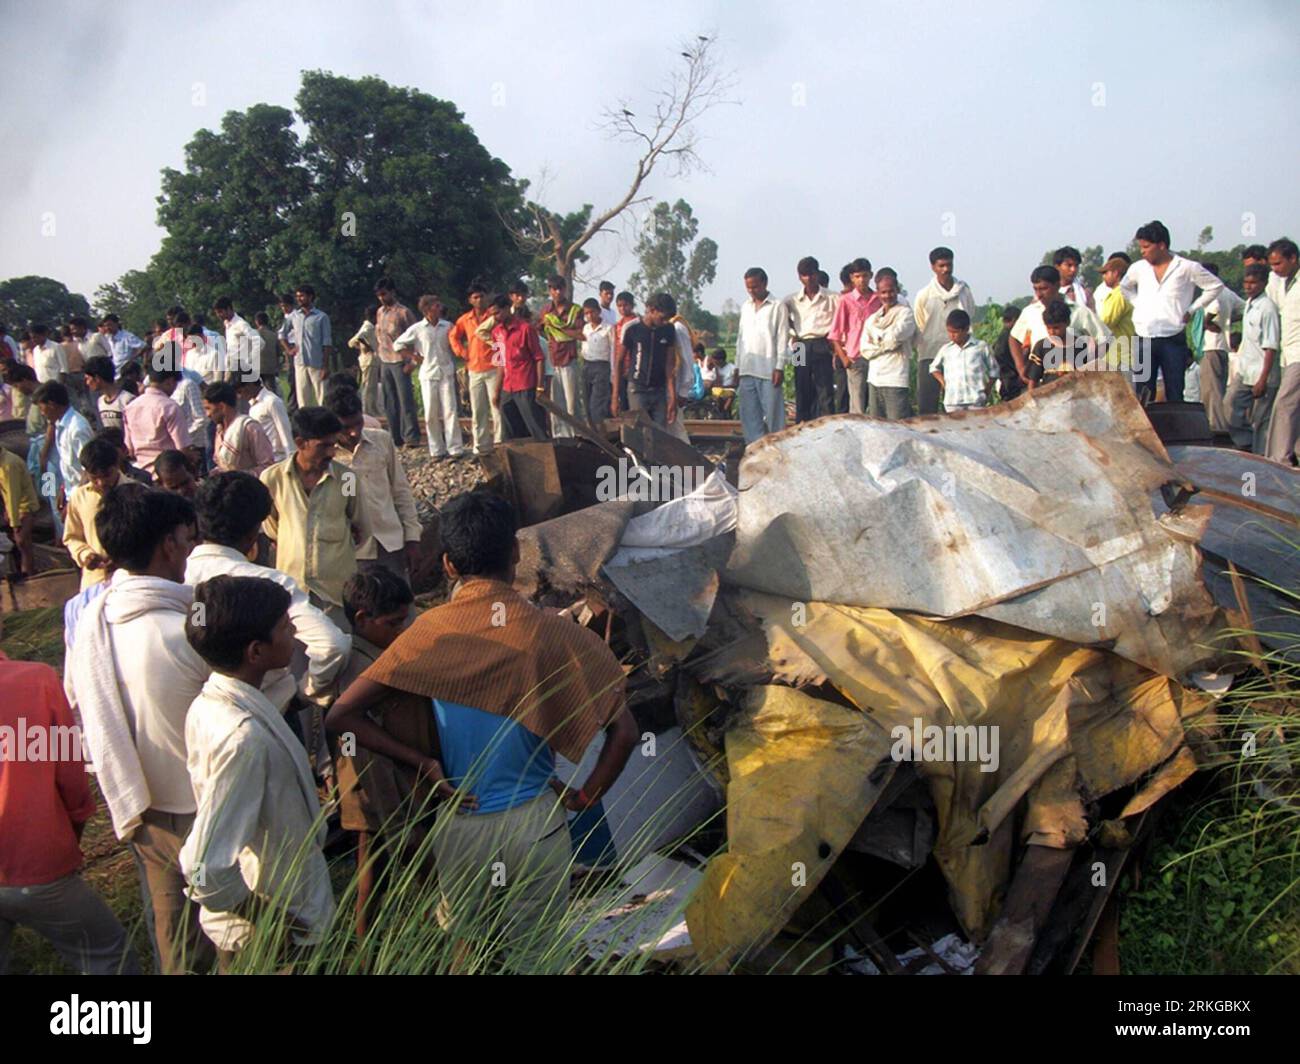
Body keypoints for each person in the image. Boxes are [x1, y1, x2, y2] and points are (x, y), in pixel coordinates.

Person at [325, 490, 636, 970]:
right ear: (515, 553)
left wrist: (424, 764)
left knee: (467, 951)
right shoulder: (557, 634)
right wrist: (583, 796)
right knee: (537, 954)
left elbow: (341, 716)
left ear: (448, 564)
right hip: (537, 824)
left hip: (461, 822)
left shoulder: (428, 635)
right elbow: (625, 732)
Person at [65, 485, 216, 975]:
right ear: (168, 544)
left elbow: (77, 702)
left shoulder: (93, 620)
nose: (190, 550)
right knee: (233, 926)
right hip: (202, 806)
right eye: (187, 539)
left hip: (143, 804)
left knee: (174, 938)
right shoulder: (184, 631)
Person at [180, 575, 335, 970]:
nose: (295, 631)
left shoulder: (215, 702)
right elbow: (203, 867)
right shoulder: (243, 739)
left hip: (281, 904)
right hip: (272, 929)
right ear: (256, 651)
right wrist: (272, 922)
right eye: (285, 626)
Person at [0, 614, 140, 975]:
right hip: (36, 864)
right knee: (108, 954)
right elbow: (70, 775)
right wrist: (73, 831)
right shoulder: (38, 681)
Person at [187, 472, 350, 748]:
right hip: (270, 714)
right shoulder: (268, 583)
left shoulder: (177, 579)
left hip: (200, 723)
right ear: (254, 532)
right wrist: (303, 692)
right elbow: (333, 646)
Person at [330, 568, 423, 936]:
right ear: (363, 620)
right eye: (393, 623)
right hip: (377, 783)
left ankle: (365, 942)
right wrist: (398, 815)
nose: (401, 631)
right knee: (414, 859)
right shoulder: (362, 666)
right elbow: (365, 744)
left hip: (369, 785)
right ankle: (454, 938)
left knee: (373, 865)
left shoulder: (372, 653)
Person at [260, 407, 366, 625]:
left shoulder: (346, 479)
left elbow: (358, 522)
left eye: (333, 445)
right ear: (300, 443)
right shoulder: (273, 479)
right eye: (323, 446)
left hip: (336, 591)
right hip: (293, 588)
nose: (331, 453)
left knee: (340, 647)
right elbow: (271, 527)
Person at [1120, 221, 1225, 403]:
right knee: (1143, 392)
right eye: (1141, 247)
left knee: (1175, 389)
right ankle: (1148, 429)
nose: (1142, 251)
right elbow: (1125, 287)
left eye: (1146, 247)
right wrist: (1139, 304)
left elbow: (1215, 286)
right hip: (1144, 335)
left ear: (1161, 245)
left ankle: (1174, 428)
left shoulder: (1186, 267)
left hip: (1172, 336)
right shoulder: (1138, 268)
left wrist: (1192, 309)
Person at [328, 388, 424, 578]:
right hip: (352, 552)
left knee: (400, 604)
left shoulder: (381, 441)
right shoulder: (328, 457)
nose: (354, 432)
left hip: (390, 543)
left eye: (358, 423)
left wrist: (412, 538)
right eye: (346, 427)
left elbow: (401, 491)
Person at [1008, 265, 1111, 384]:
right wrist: (1021, 368)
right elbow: (1014, 338)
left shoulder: (1078, 311)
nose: (1039, 294)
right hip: (1041, 382)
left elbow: (1106, 338)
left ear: (1057, 286)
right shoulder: (1030, 312)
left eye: (1043, 288)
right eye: (1035, 289)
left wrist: (1091, 366)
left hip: (1074, 383)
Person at [393, 294, 466, 459]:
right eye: (436, 305)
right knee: (430, 413)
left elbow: (456, 344)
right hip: (428, 374)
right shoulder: (417, 328)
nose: (440, 308)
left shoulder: (447, 326)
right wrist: (413, 356)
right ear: (427, 309)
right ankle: (436, 449)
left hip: (446, 371)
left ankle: (455, 448)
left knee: (450, 410)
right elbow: (397, 344)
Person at [912, 247, 977, 416]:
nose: (946, 269)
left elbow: (969, 316)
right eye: (941, 266)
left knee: (961, 405)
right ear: (933, 267)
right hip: (930, 352)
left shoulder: (963, 291)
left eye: (949, 265)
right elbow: (920, 324)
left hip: (959, 354)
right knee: (928, 405)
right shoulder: (924, 295)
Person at [1225, 264, 1281, 454]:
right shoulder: (1249, 304)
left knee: (1261, 421)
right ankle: (1245, 444)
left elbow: (1270, 346)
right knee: (1230, 407)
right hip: (1246, 371)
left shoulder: (1268, 308)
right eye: (1246, 282)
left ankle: (1260, 459)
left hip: (1262, 374)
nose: (1248, 286)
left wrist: (1263, 379)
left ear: (1264, 283)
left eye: (1253, 283)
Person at [734, 268, 789, 443]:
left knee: (774, 417)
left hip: (768, 371)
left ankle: (779, 451)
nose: (751, 291)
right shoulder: (746, 307)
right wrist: (737, 366)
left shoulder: (777, 306)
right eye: (748, 287)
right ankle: (755, 453)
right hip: (746, 369)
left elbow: (783, 337)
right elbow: (740, 338)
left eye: (755, 287)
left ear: (765, 283)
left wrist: (780, 367)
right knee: (749, 417)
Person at [63, 437, 123, 588]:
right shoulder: (79, 497)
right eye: (94, 477)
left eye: (107, 475)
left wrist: (126, 559)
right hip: (94, 581)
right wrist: (85, 555)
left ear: (117, 465)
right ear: (86, 473)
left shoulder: (137, 492)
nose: (101, 483)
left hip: (130, 579)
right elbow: (72, 537)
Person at [33, 381, 94, 529]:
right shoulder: (61, 426)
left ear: (52, 404)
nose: (42, 413)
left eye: (42, 408)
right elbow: (68, 464)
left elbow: (89, 468)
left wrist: (74, 502)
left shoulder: (77, 428)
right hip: (71, 491)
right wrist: (62, 489)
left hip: (84, 495)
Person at [449, 285, 501, 456]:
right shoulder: (465, 319)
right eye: (475, 297)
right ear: (470, 300)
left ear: (487, 297)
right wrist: (461, 352)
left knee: (497, 408)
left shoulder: (494, 316)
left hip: (494, 367)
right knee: (478, 411)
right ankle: (481, 447)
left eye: (481, 296)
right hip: (474, 369)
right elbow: (453, 336)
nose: (479, 300)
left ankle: (500, 444)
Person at [785, 255, 838, 422]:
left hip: (822, 343)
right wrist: (793, 333)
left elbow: (840, 321)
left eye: (811, 274)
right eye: (804, 275)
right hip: (800, 345)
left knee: (825, 388)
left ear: (817, 274)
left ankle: (828, 425)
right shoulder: (791, 300)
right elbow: (782, 316)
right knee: (801, 386)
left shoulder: (832, 298)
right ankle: (802, 424)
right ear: (799, 276)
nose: (808, 278)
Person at [488, 295, 548, 441]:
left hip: (526, 385)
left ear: (508, 309)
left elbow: (539, 358)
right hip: (508, 387)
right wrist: (497, 391)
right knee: (509, 430)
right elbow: (500, 363)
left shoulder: (526, 329)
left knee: (535, 426)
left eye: (497, 313)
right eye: (492, 314)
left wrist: (540, 388)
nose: (495, 317)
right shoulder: (496, 333)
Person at [859, 268, 916, 420]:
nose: (887, 296)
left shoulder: (905, 314)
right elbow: (865, 350)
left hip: (895, 378)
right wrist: (885, 345)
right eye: (883, 292)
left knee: (897, 429)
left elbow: (895, 337)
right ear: (877, 293)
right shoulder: (872, 319)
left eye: (891, 291)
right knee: (877, 429)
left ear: (897, 290)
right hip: (874, 378)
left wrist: (877, 342)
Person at [616, 292, 679, 427]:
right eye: (663, 318)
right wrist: (615, 396)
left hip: (659, 390)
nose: (665, 322)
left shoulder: (668, 330)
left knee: (661, 435)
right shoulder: (632, 329)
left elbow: (669, 365)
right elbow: (619, 362)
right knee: (640, 434)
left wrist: (672, 396)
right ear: (651, 310)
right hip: (637, 389)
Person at [1263, 237, 1300, 465]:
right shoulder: (1280, 283)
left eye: (1278, 264)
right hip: (1289, 354)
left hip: (1299, 354)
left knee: (1284, 403)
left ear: (1293, 259)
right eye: (1272, 265)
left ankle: (1279, 459)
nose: (1274, 270)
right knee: (1295, 406)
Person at [1195, 263, 1244, 433]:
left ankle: (1215, 427)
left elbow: (1214, 308)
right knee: (1218, 388)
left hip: (1211, 347)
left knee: (1211, 391)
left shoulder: (1212, 294)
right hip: (1223, 346)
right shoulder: (1228, 293)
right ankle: (1218, 425)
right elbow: (1244, 308)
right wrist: (1226, 322)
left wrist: (1208, 322)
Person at [827, 258, 880, 414]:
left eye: (864, 276)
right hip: (802, 346)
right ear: (852, 278)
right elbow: (835, 333)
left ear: (870, 275)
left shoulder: (878, 299)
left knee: (875, 403)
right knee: (856, 403)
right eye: (857, 276)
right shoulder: (845, 300)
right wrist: (843, 358)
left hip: (875, 356)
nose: (861, 280)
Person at [373, 279, 420, 447]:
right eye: (379, 295)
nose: (381, 298)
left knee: (405, 400)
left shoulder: (403, 313)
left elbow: (416, 337)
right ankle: (395, 438)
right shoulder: (380, 312)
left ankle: (412, 437)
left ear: (392, 292)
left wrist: (413, 362)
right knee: (390, 401)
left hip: (401, 361)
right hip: (385, 360)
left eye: (384, 293)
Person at [123, 365, 191, 476]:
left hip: (143, 473)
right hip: (169, 474)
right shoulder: (170, 407)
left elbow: (129, 449)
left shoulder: (130, 407)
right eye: (175, 385)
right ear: (169, 382)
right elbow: (183, 448)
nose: (174, 389)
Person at [538, 277, 584, 438]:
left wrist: (558, 328)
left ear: (565, 289)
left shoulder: (575, 310)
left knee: (572, 402)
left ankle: (578, 434)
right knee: (556, 402)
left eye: (560, 288)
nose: (557, 292)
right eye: (553, 289)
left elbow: (580, 334)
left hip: (569, 359)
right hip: (552, 359)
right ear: (550, 291)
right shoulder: (546, 311)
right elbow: (539, 329)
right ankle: (560, 437)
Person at [931, 309, 996, 411]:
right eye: (949, 331)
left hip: (975, 400)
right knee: (954, 426)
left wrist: (987, 389)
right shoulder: (946, 349)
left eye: (955, 332)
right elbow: (933, 368)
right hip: (953, 401)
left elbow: (994, 370)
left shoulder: (980, 347)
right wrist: (944, 383)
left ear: (966, 329)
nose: (952, 335)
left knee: (976, 426)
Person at [205, 381, 275, 475]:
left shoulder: (249, 428)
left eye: (208, 408)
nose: (207, 414)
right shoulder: (220, 431)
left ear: (222, 407)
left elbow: (268, 467)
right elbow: (224, 466)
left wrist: (238, 476)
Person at [286, 285, 334, 411]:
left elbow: (327, 342)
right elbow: (282, 334)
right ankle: (306, 427)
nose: (299, 299)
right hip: (300, 362)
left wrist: (325, 365)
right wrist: (289, 349)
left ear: (310, 297)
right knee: (303, 399)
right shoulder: (294, 316)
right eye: (297, 297)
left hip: (317, 363)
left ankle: (325, 425)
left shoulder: (321, 317)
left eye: (302, 296)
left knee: (322, 397)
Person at [0, 440, 38, 578]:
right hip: (17, 508)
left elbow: (12, 495)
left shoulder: (9, 465)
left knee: (22, 542)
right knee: (24, 544)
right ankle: (28, 573)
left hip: (26, 508)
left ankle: (29, 575)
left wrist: (14, 523)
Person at [1097, 253, 1136, 376]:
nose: (1103, 277)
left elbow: (1105, 323)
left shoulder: (1119, 295)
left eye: (1105, 273)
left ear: (1116, 273)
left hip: (1121, 357)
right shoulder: (1125, 292)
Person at [579, 298, 615, 428]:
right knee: (587, 403)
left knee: (597, 404)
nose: (589, 316)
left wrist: (612, 373)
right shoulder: (586, 328)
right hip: (587, 365)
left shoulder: (608, 328)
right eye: (586, 313)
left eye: (592, 312)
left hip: (602, 367)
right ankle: (592, 431)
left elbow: (613, 351)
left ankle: (601, 433)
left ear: (599, 311)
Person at [212, 297, 263, 384]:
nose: (219, 315)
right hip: (230, 367)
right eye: (217, 313)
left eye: (220, 312)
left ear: (228, 309)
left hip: (241, 369)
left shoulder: (240, 324)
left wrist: (248, 360)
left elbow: (260, 342)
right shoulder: (227, 324)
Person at [84, 355, 132, 433]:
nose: (87, 383)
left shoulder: (127, 400)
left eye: (88, 379)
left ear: (97, 378)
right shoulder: (100, 401)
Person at [348, 304, 381, 417]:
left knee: (371, 386)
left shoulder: (368, 326)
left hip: (370, 360)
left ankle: (372, 409)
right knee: (368, 387)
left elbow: (353, 342)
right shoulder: (368, 326)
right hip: (369, 360)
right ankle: (367, 410)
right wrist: (367, 345)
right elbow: (357, 338)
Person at [611, 291, 638, 414]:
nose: (622, 308)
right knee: (623, 403)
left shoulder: (637, 323)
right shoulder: (617, 326)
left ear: (632, 305)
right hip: (620, 368)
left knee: (634, 404)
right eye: (619, 306)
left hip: (633, 368)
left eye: (625, 305)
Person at [253, 312, 281, 394]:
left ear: (256, 322)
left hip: (256, 368)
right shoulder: (274, 335)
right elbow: (278, 353)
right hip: (270, 368)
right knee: (271, 391)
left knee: (256, 392)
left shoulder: (253, 334)